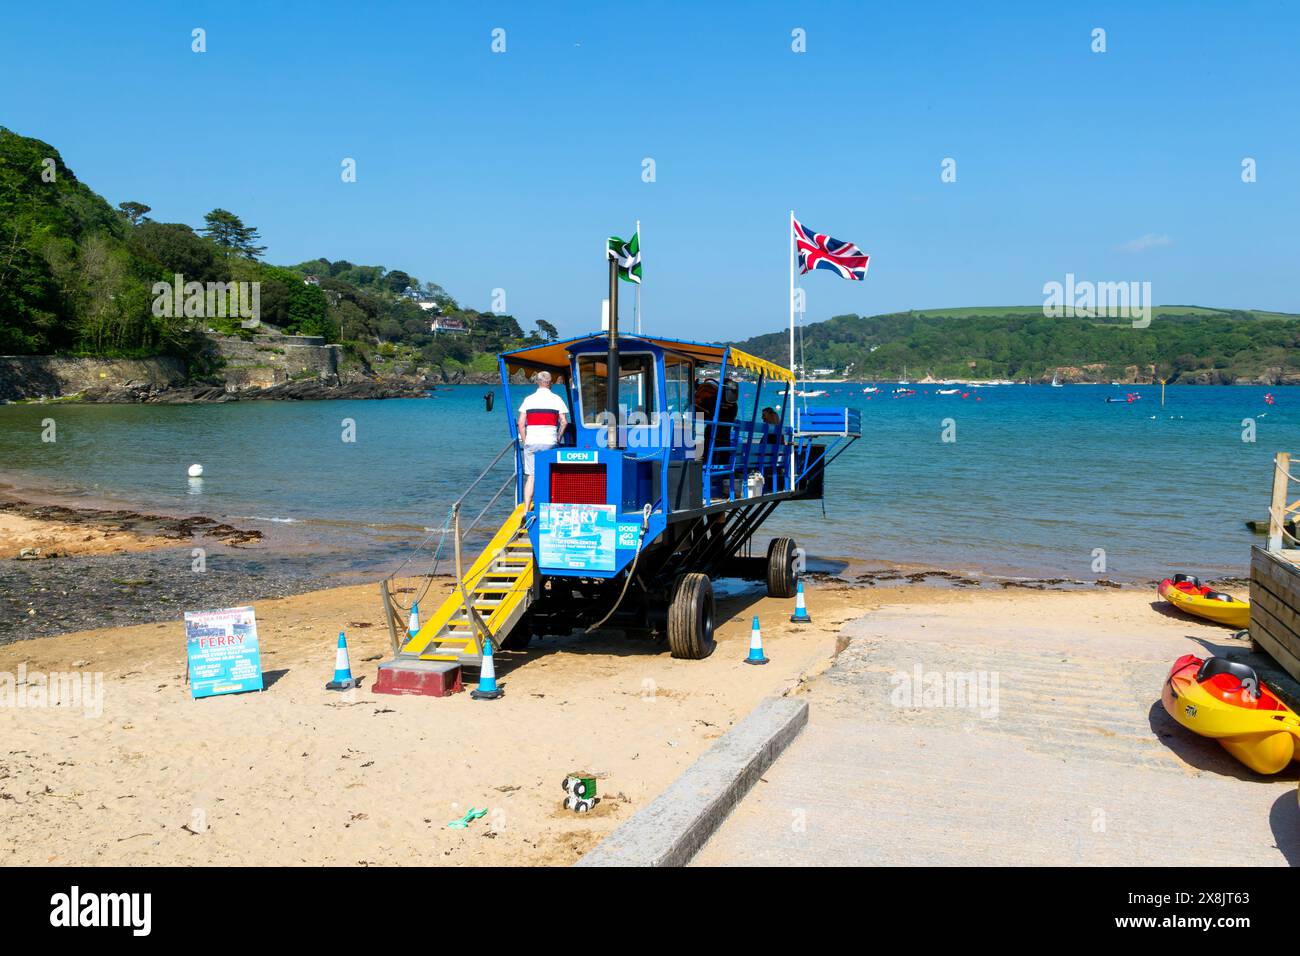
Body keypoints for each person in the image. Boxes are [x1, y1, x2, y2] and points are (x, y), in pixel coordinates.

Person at [517, 370, 569, 511]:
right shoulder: (557, 399)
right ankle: (548, 506)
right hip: (549, 441)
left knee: (531, 476)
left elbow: (521, 423)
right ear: (550, 383)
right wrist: (558, 438)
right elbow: (564, 422)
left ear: (537, 382)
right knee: (549, 473)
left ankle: (526, 509)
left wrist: (525, 439)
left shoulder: (528, 399)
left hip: (532, 441)